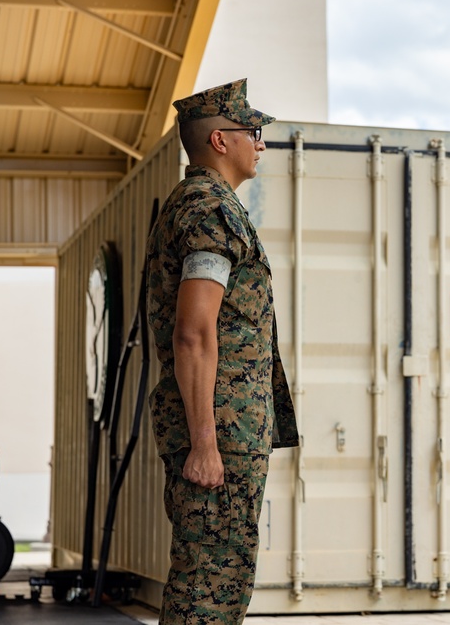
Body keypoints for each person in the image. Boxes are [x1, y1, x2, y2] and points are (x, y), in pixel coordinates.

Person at [145, 78, 299, 624]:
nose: (260, 143)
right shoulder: (210, 210)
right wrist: (205, 443)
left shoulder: (201, 206)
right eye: (253, 132)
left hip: (226, 431)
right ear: (219, 141)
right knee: (210, 588)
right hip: (220, 434)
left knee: (219, 581)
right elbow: (193, 332)